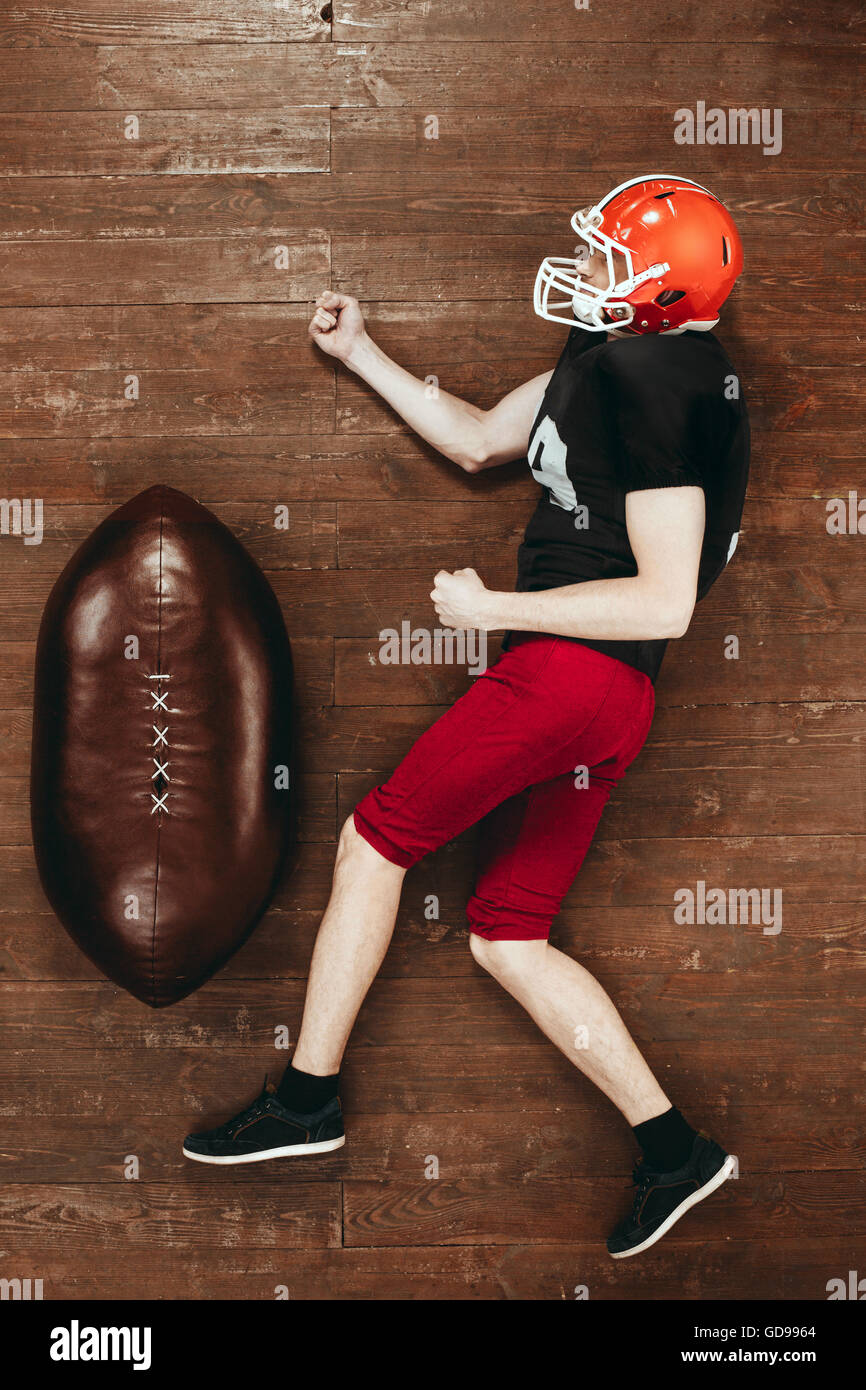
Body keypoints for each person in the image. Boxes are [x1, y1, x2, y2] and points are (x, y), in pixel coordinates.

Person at [183, 175, 749, 1261]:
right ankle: (673, 1148)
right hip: (608, 703)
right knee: (505, 932)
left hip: (571, 676)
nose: (581, 269)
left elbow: (665, 599)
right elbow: (481, 437)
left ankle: (307, 1099)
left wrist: (494, 608)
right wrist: (361, 355)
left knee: (372, 839)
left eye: (603, 258)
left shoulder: (663, 376)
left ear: (656, 291)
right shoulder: (611, 357)